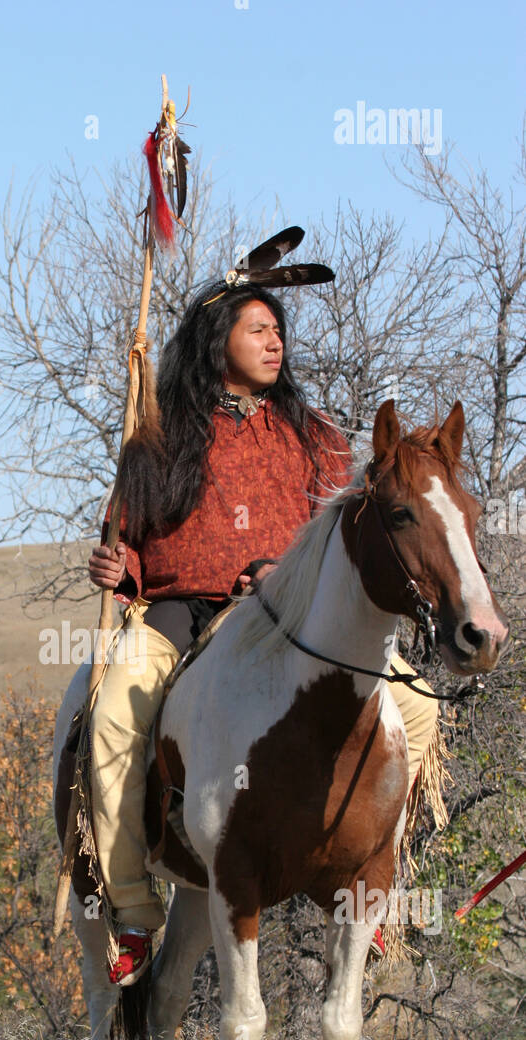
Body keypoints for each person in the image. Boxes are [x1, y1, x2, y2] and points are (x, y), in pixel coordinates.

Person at [87, 243, 438, 986]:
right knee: (117, 708)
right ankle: (132, 911)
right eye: (256, 329)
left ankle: (375, 889)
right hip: (186, 613)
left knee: (417, 704)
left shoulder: (316, 437)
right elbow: (129, 541)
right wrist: (120, 570)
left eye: (277, 329)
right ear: (220, 342)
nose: (275, 341)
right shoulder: (158, 436)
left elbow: (347, 531)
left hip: (298, 617)